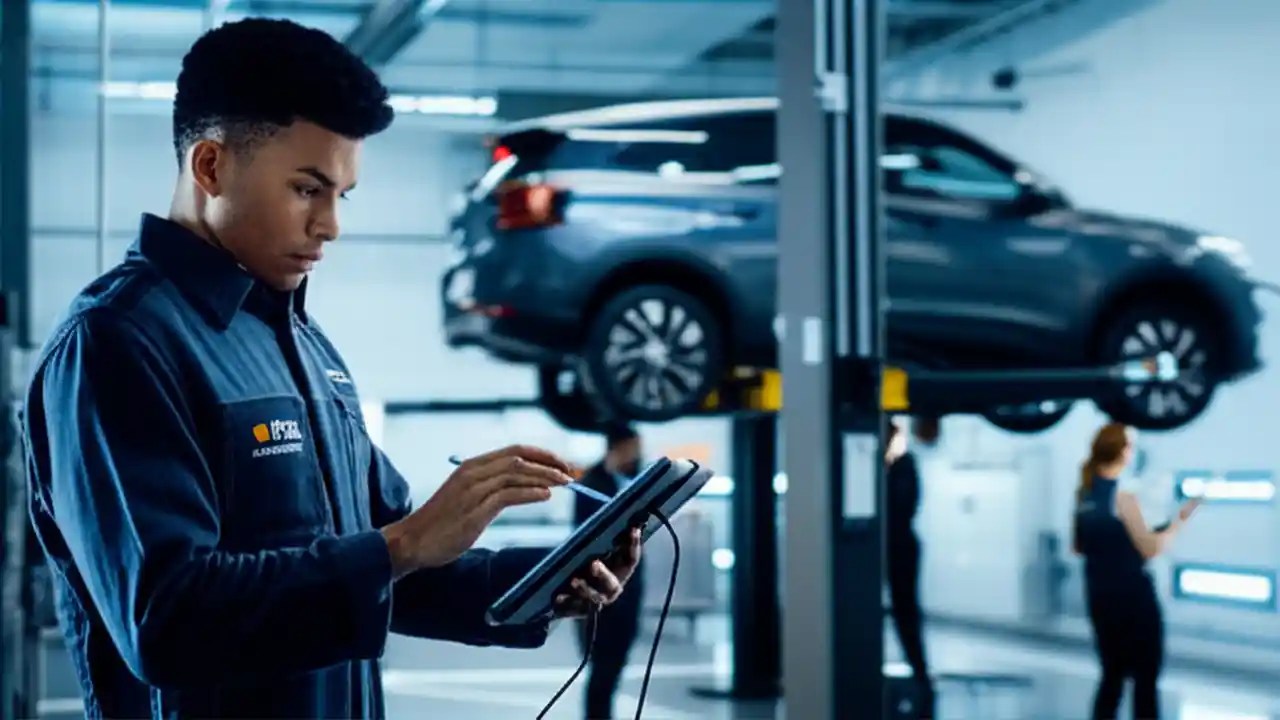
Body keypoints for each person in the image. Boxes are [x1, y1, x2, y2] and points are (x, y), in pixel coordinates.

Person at [21, 18, 640, 720]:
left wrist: (549, 579)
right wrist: (402, 545)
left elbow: (391, 570)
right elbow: (167, 618)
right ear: (211, 166)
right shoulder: (117, 343)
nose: (330, 226)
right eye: (306, 189)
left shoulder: (305, 346)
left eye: (340, 195)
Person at [1073, 422, 1200, 720]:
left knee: (1111, 676)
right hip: (1134, 599)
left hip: (1100, 599)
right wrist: (1180, 521)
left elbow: (1080, 546)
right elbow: (1150, 548)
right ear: (1122, 452)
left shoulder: (1084, 497)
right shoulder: (1124, 498)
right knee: (1146, 680)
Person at [571, 425, 646, 720]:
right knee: (602, 666)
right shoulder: (593, 484)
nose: (637, 455)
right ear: (617, 447)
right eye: (632, 448)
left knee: (614, 663)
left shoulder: (633, 479)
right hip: (599, 585)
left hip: (629, 589)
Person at [885, 419, 934, 719]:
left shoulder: (902, 466)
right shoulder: (895, 467)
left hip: (899, 546)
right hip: (888, 545)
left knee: (905, 610)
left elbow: (904, 505)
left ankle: (920, 673)